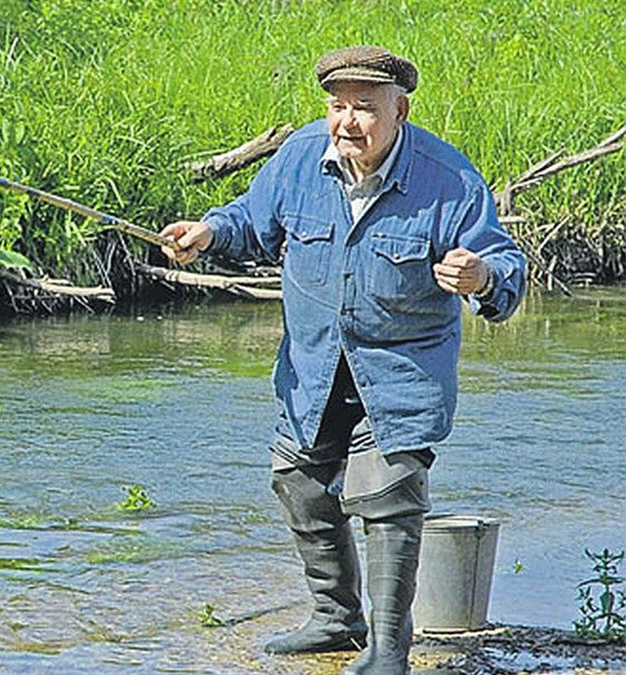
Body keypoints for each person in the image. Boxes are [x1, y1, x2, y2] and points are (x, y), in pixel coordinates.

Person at [160, 46, 526, 675]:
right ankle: (335, 618)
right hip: (315, 365)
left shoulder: (451, 180)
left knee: (387, 495)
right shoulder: (301, 157)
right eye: (338, 106)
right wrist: (210, 233)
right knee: (297, 479)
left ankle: (389, 649)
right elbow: (252, 221)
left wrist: (482, 274)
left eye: (365, 107)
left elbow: (508, 272)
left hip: (402, 373)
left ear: (399, 110)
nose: (348, 121)